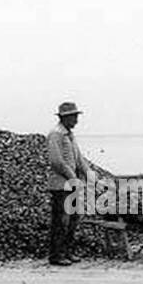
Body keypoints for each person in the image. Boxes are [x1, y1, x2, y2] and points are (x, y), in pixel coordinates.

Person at [46, 101, 92, 265]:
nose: (76, 121)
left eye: (76, 117)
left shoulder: (69, 135)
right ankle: (56, 255)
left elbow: (79, 159)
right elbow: (57, 162)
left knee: (74, 218)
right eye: (73, 117)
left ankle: (68, 252)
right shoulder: (56, 134)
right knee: (61, 220)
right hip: (61, 185)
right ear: (65, 118)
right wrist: (73, 178)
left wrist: (90, 176)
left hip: (72, 185)